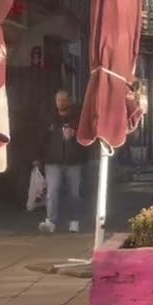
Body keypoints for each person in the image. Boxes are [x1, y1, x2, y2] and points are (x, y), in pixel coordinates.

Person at [34, 89, 89, 233]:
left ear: (69, 100)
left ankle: (74, 221)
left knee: (74, 193)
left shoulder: (78, 118)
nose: (61, 103)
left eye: (64, 100)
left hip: (73, 161)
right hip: (53, 161)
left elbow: (87, 137)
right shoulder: (50, 118)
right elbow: (42, 139)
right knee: (52, 192)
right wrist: (38, 157)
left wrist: (75, 133)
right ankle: (51, 221)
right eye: (58, 100)